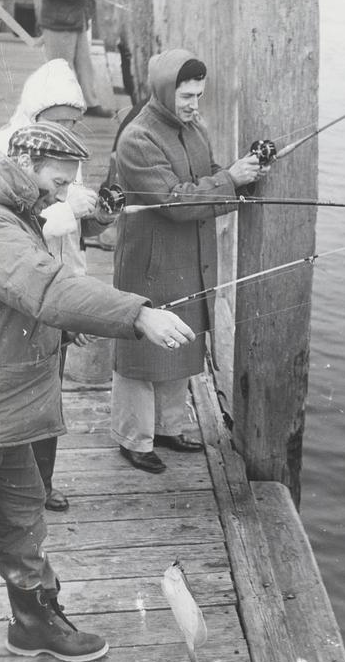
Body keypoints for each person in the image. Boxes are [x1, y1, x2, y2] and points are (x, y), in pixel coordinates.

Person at [0, 121, 195, 662]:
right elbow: (46, 286)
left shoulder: (13, 211)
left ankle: (32, 620)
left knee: (25, 512)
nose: (62, 195)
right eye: (57, 182)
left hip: (6, 406)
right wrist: (138, 313)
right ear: (25, 167)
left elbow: (24, 297)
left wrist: (62, 328)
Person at [110, 48, 270, 474]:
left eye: (198, 95)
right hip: (149, 261)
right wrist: (230, 181)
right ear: (164, 91)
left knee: (180, 342)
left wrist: (242, 180)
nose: (194, 105)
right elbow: (175, 201)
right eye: (186, 96)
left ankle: (169, 427)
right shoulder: (138, 138)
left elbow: (207, 175)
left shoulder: (193, 127)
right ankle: (134, 438)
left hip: (188, 259)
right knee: (140, 353)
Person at [0, 58, 115, 512]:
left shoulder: (66, 160)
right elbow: (2, 235)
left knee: (49, 391)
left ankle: (41, 485)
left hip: (57, 289)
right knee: (6, 389)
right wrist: (66, 214)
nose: (70, 131)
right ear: (35, 115)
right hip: (11, 296)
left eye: (75, 122)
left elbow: (71, 234)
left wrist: (95, 220)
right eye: (60, 122)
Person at [32, 0, 112, 118]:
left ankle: (90, 104)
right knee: (60, 68)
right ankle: (62, 109)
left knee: (84, 65)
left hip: (78, 17)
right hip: (57, 21)